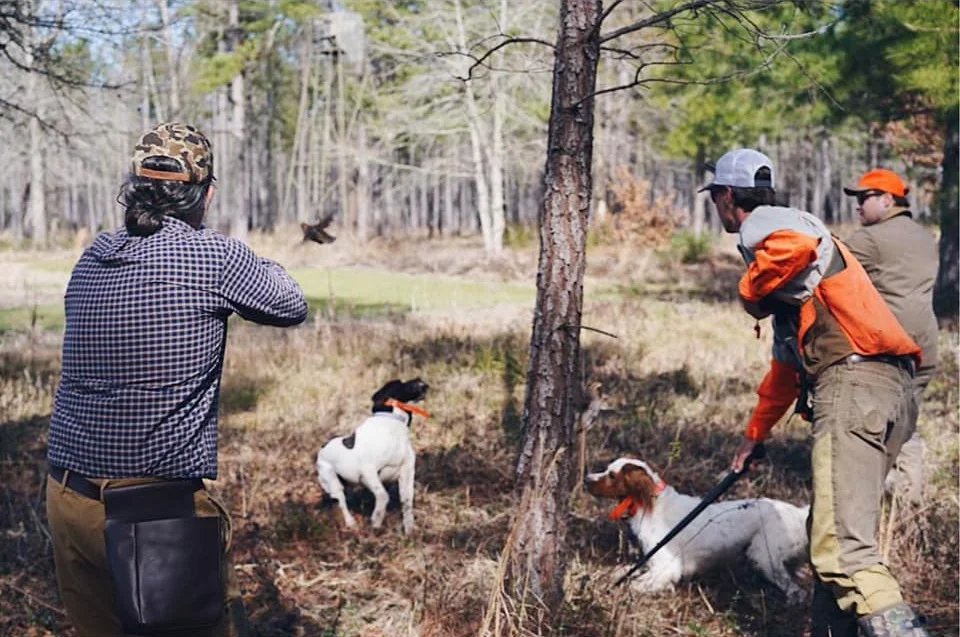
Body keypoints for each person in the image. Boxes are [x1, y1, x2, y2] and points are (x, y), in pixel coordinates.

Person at [45, 122, 308, 636]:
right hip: (157, 511)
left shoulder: (94, 254)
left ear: (134, 187)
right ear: (205, 194)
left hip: (68, 497)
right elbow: (291, 304)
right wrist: (253, 255)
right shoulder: (215, 255)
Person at [702, 148, 931, 637]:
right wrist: (754, 436)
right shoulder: (793, 266)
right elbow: (786, 368)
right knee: (827, 539)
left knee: (844, 550)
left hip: (853, 386)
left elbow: (797, 244)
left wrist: (750, 290)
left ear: (725, 196)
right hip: (889, 392)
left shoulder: (766, 226)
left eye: (715, 198)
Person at [843, 169, 939, 505]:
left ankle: (864, 506)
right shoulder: (925, 237)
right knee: (906, 422)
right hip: (926, 346)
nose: (857, 205)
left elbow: (824, 266)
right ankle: (910, 502)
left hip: (888, 349)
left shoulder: (869, 240)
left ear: (887, 200)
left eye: (863, 198)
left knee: (871, 427)